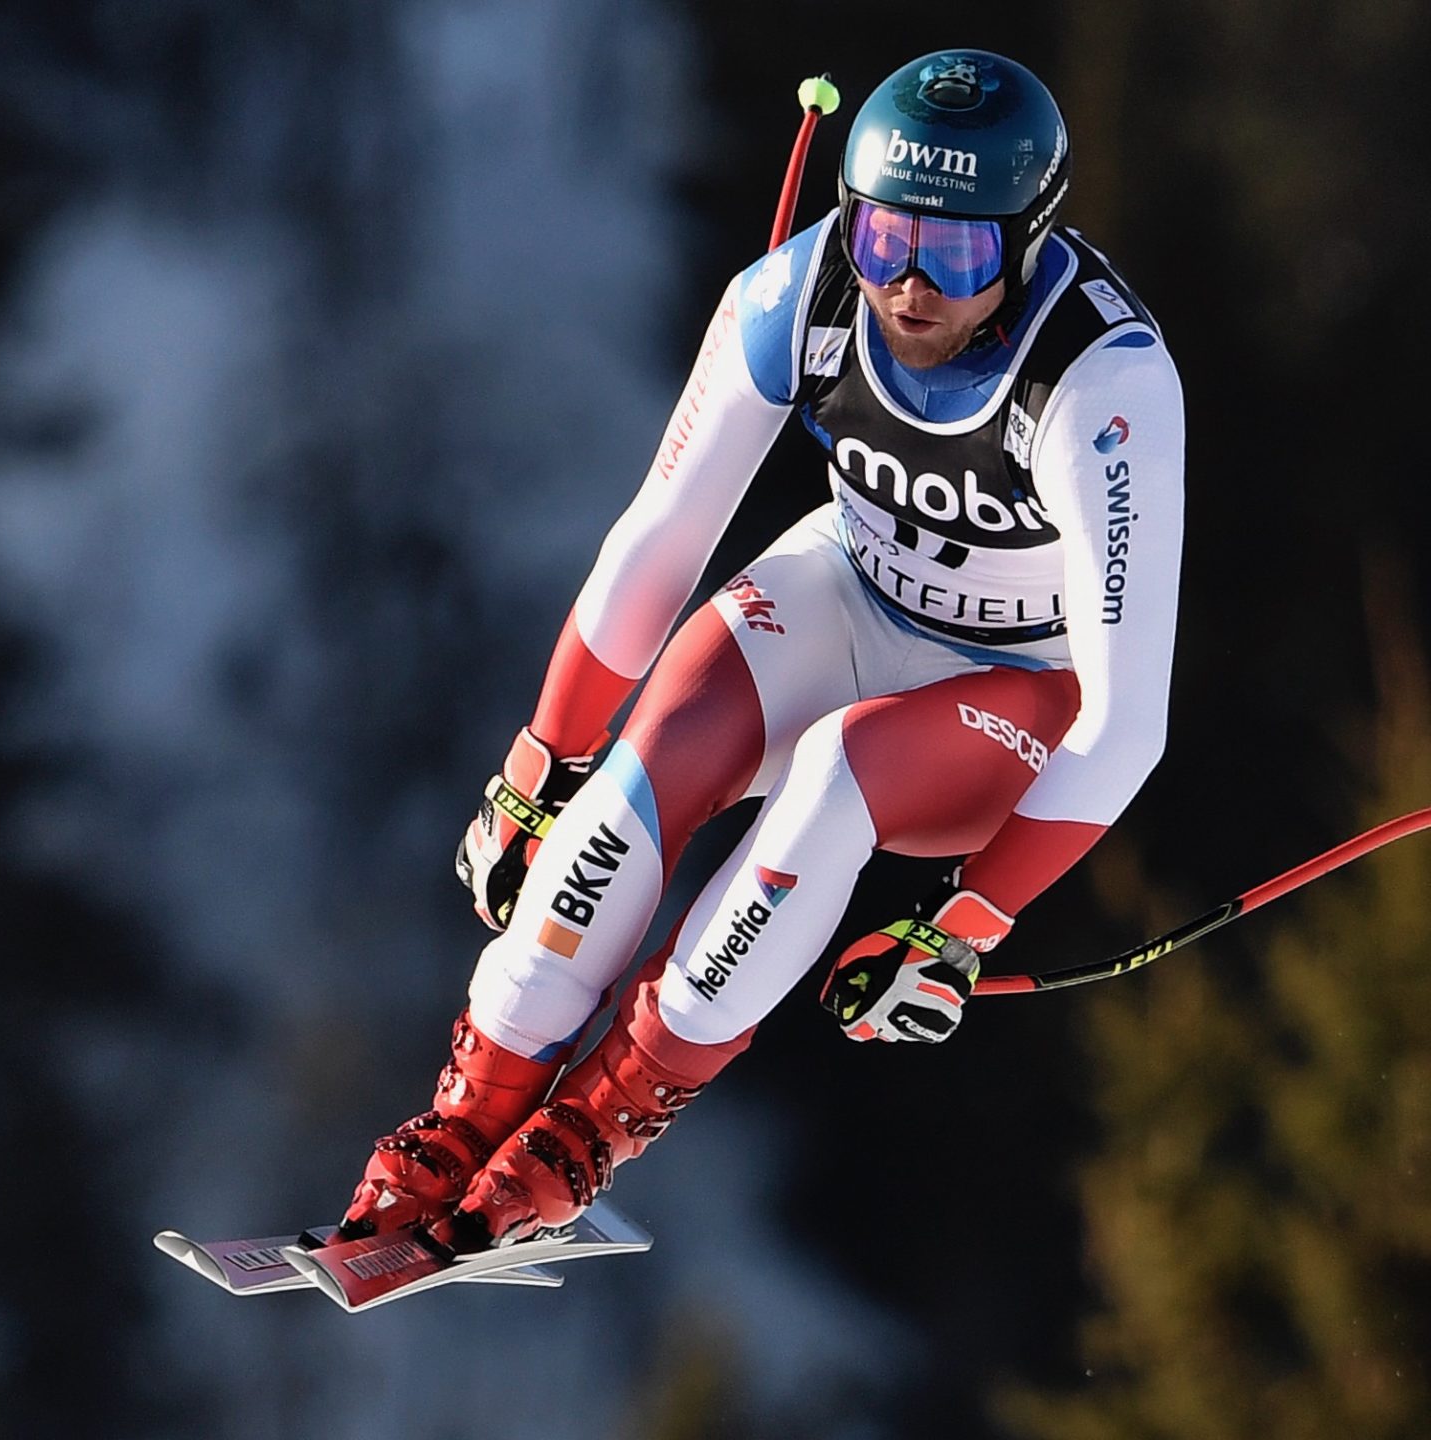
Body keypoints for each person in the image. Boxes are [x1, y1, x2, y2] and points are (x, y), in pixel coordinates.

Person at [339, 48, 1185, 1255]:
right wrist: (541, 763)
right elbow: (659, 540)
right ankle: (464, 1120)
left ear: (1028, 240)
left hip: (1017, 691)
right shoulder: (798, 293)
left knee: (836, 774)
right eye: (885, 238)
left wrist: (964, 926)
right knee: (648, 766)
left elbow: (1123, 722)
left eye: (953, 257)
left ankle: (596, 1126)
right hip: (847, 589)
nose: (906, 288)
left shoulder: (1100, 386)